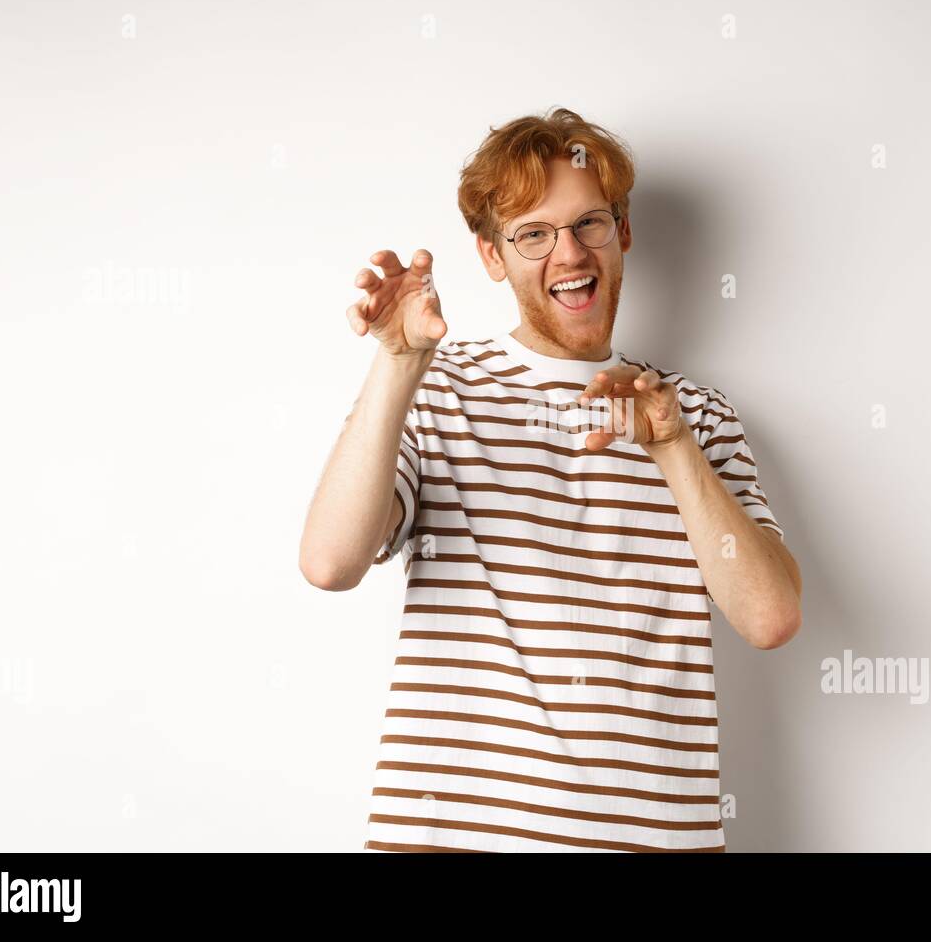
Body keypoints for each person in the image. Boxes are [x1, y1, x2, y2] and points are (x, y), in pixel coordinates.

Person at [299, 107, 803, 852]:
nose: (568, 254)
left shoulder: (695, 414)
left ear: (622, 233)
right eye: (533, 234)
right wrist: (399, 364)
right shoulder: (439, 391)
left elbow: (770, 619)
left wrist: (672, 449)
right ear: (493, 257)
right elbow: (329, 562)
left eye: (588, 224)